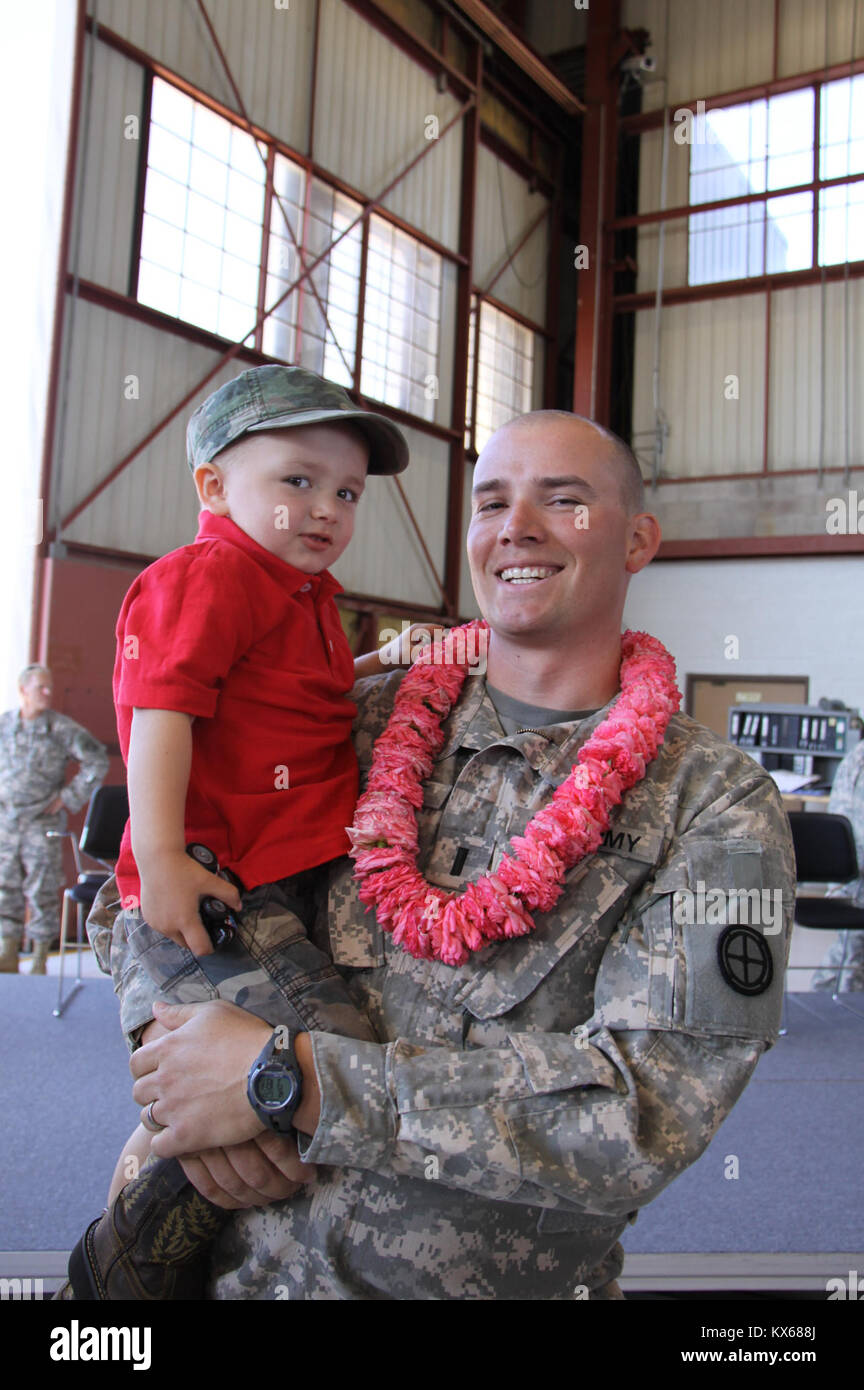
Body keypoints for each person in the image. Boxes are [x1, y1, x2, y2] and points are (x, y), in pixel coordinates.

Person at [118, 410, 795, 1300]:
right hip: (241, 1277)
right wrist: (179, 1057)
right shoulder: (345, 728)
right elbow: (161, 878)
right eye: (491, 503)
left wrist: (286, 1083)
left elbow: (646, 1114)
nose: (517, 527)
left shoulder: (716, 802)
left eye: (563, 500)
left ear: (637, 540)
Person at [65, 364, 412, 1299]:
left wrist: (389, 660)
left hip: (277, 890)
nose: (326, 507)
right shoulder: (212, 574)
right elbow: (159, 714)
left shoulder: (304, 597)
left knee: (290, 1100)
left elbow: (299, 699)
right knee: (327, 1068)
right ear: (214, 487)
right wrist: (163, 855)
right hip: (221, 888)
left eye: (345, 491)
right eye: (296, 480)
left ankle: (158, 1258)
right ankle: (117, 1272)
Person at [0, 664, 108, 973]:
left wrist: (68, 797)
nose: (48, 693)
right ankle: (7, 950)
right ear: (23, 690)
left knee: (42, 890)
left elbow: (96, 760)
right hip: (6, 821)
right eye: (41, 688)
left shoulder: (60, 728)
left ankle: (38, 957)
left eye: (50, 687)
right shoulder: (5, 725)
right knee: (4, 886)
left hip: (41, 823)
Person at [812, 735, 864, 992]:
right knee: (854, 946)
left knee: (851, 947)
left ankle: (826, 994)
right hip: (858, 881)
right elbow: (857, 841)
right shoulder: (861, 759)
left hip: (852, 879)